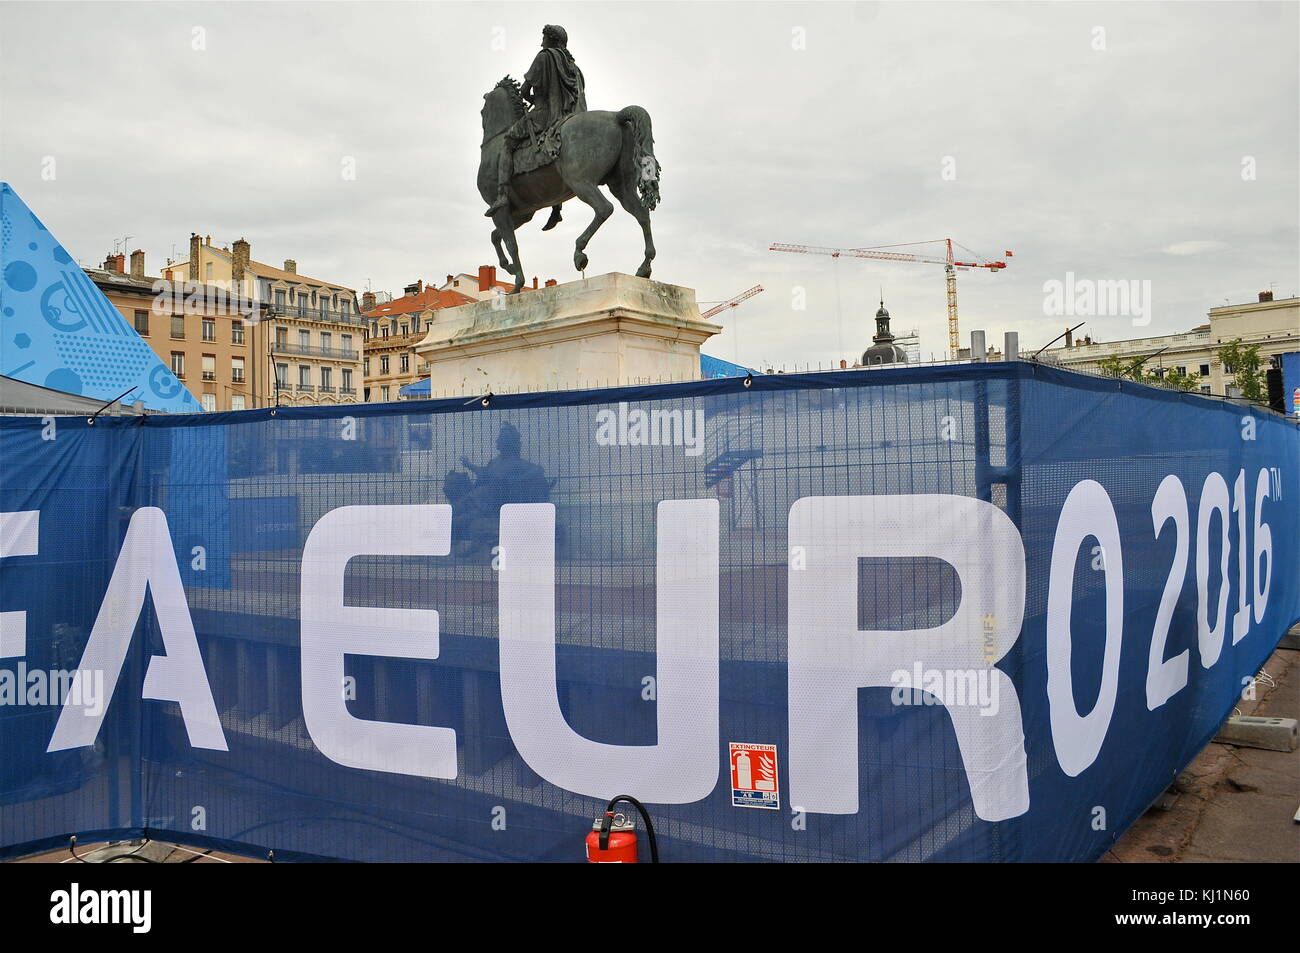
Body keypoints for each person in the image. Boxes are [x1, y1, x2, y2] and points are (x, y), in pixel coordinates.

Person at [485, 24, 586, 230]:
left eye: (544, 38)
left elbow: (523, 91)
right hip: (570, 117)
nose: (541, 42)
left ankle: (502, 195)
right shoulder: (574, 66)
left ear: (551, 40)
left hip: (545, 114)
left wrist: (531, 98)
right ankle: (556, 209)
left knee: (508, 141)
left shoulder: (544, 57)